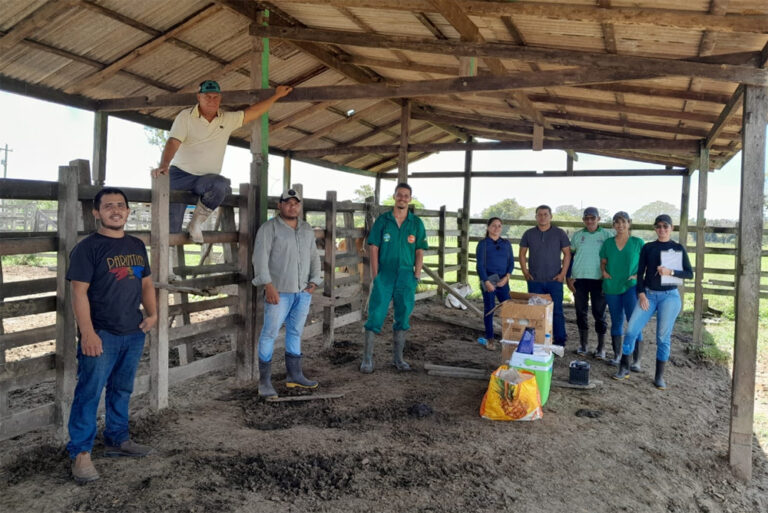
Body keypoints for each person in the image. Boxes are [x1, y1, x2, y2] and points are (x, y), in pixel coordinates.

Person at [65, 187, 157, 484]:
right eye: (108, 206)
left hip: (133, 331)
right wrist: (88, 333)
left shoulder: (137, 245)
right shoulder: (87, 248)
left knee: (122, 389)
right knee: (89, 392)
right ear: (97, 213)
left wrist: (153, 314)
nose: (115, 210)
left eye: (120, 205)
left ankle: (117, 439)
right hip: (102, 334)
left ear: (128, 211)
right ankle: (81, 453)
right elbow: (78, 293)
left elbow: (146, 283)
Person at [152, 80, 293, 244]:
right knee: (169, 230)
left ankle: (196, 224)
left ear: (220, 98)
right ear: (199, 97)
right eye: (207, 96)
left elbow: (253, 112)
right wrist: (164, 165)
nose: (211, 100)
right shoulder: (185, 116)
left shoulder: (226, 119)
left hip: (207, 179)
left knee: (221, 185)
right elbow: (173, 141)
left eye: (215, 97)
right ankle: (164, 258)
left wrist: (276, 96)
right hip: (180, 175)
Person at [252, 188, 323, 400]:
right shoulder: (269, 228)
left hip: (303, 291)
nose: (292, 207)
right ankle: (264, 381)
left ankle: (294, 375)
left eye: (296, 203)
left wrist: (314, 281)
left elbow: (314, 256)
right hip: (279, 291)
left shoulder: (306, 229)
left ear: (300, 206)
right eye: (288, 203)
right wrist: (268, 285)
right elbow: (259, 258)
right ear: (280, 205)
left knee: (295, 332)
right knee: (270, 333)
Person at [613, 214, 693, 389]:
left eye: (665, 226)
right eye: (658, 226)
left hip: (669, 296)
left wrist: (671, 272)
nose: (662, 229)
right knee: (631, 330)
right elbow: (640, 272)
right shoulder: (648, 247)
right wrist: (641, 293)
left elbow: (689, 273)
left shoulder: (677, 248)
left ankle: (659, 376)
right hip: (648, 295)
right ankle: (624, 367)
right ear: (655, 228)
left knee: (663, 337)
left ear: (671, 228)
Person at [360, 183, 428, 373]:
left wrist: (416, 275)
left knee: (403, 314)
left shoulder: (416, 223)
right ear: (394, 196)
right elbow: (373, 247)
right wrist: (376, 275)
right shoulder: (383, 221)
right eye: (400, 195)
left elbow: (419, 251)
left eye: (406, 195)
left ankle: (398, 359)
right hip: (385, 274)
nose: (402, 198)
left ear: (410, 199)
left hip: (406, 275)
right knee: (376, 313)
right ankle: (367, 359)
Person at [518, 205, 571, 346]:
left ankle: (560, 341)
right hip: (535, 280)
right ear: (536, 217)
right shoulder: (529, 233)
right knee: (535, 311)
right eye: (540, 214)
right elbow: (522, 254)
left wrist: (562, 274)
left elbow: (567, 254)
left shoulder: (559, 233)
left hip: (555, 280)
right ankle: (537, 340)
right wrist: (525, 272)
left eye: (545, 214)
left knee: (557, 311)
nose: (542, 217)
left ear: (551, 216)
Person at [599, 211, 645, 367]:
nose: (620, 225)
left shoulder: (638, 243)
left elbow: (647, 263)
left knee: (634, 321)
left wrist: (638, 276)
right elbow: (603, 261)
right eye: (617, 222)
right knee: (616, 320)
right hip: (612, 286)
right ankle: (617, 355)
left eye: (623, 222)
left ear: (629, 223)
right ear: (613, 225)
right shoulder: (608, 243)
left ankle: (636, 360)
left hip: (630, 286)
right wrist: (604, 272)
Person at [567, 207, 612, 358]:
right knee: (580, 312)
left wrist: (608, 277)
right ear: (583, 220)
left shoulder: (607, 235)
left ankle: (601, 347)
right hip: (579, 278)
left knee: (599, 313)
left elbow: (612, 257)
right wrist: (568, 277)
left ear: (598, 219)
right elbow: (570, 257)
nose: (590, 221)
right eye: (587, 218)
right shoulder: (577, 235)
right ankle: (583, 345)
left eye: (593, 218)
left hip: (599, 279)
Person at [476, 217, 514, 349]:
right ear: (488, 227)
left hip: (503, 280)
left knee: (509, 309)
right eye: (493, 225)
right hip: (489, 280)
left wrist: (507, 277)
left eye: (499, 226)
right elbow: (480, 265)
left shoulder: (506, 244)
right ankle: (490, 339)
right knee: (489, 308)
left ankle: (509, 337)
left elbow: (511, 263)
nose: (496, 228)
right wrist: (486, 282)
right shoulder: (483, 244)